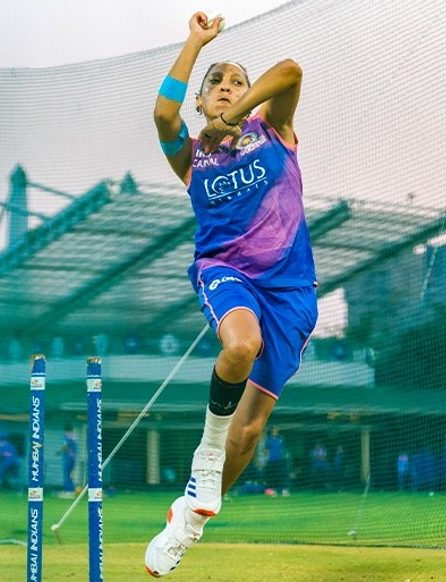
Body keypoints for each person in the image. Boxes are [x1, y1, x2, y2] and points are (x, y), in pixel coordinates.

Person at [145, 11, 317, 576]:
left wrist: (240, 115)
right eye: (216, 83)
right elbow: (162, 112)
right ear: (202, 100)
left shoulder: (275, 131)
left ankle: (188, 521)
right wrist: (196, 43)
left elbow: (291, 70)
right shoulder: (190, 154)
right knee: (239, 346)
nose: (227, 87)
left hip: (291, 290)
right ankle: (205, 456)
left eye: (237, 81)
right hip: (227, 272)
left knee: (250, 429)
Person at [263, 427, 289, 497]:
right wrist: (265, 458)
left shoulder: (281, 439)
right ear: (272, 431)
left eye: (277, 430)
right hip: (271, 461)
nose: (275, 431)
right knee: (272, 476)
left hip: (280, 460)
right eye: (274, 430)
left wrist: (284, 456)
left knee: (281, 474)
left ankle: (284, 490)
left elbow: (283, 449)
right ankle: (271, 491)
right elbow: (265, 450)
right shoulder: (268, 440)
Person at [57, 424, 78, 499]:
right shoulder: (74, 436)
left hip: (68, 457)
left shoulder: (67, 435)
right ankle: (72, 489)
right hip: (73, 457)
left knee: (66, 474)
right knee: (71, 474)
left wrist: (59, 452)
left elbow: (66, 446)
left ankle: (68, 491)